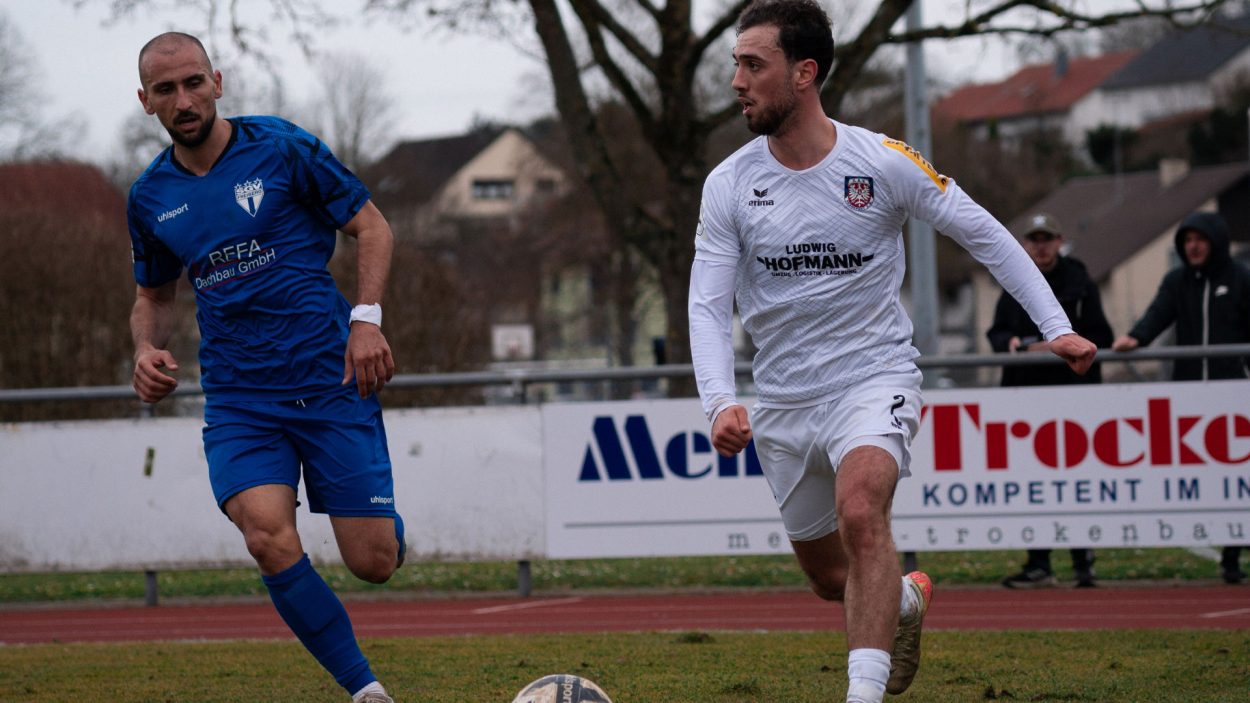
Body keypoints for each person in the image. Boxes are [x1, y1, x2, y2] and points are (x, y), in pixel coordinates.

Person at [687, 2, 1097, 701]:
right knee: (830, 578)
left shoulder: (880, 162)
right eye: (735, 63)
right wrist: (720, 399)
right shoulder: (728, 183)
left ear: (805, 72)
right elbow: (706, 300)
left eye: (753, 64)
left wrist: (1054, 324)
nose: (737, 80)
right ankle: (902, 601)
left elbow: (987, 234)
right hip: (783, 402)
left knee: (861, 511)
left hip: (872, 379)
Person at [127, 32, 402, 702]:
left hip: (330, 380)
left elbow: (372, 226)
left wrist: (366, 321)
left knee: (374, 562)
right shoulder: (149, 197)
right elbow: (153, 295)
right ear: (146, 102)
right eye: (166, 90)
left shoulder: (281, 147)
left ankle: (380, 521)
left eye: (193, 82)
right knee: (267, 535)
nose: (183, 99)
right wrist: (145, 348)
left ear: (217, 81)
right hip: (241, 400)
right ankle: (365, 689)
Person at [1112, 211, 1250, 585]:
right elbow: (1158, 314)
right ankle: (1223, 547)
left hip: (1235, 392)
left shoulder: (1240, 279)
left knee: (1237, 477)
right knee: (1202, 477)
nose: (1193, 246)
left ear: (1216, 242)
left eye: (1200, 239)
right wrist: (1136, 337)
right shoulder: (1177, 282)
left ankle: (1234, 554)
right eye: (1187, 240)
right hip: (1190, 396)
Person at [987, 213, 1112, 589]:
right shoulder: (1015, 279)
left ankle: (1082, 560)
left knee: (1075, 483)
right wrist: (1011, 343)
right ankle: (1039, 562)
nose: (1040, 246)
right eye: (1034, 240)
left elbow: (1100, 333)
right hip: (1026, 399)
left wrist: (1061, 342)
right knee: (1032, 483)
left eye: (1047, 239)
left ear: (1059, 241)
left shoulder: (1080, 281)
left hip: (1072, 398)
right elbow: (997, 332)